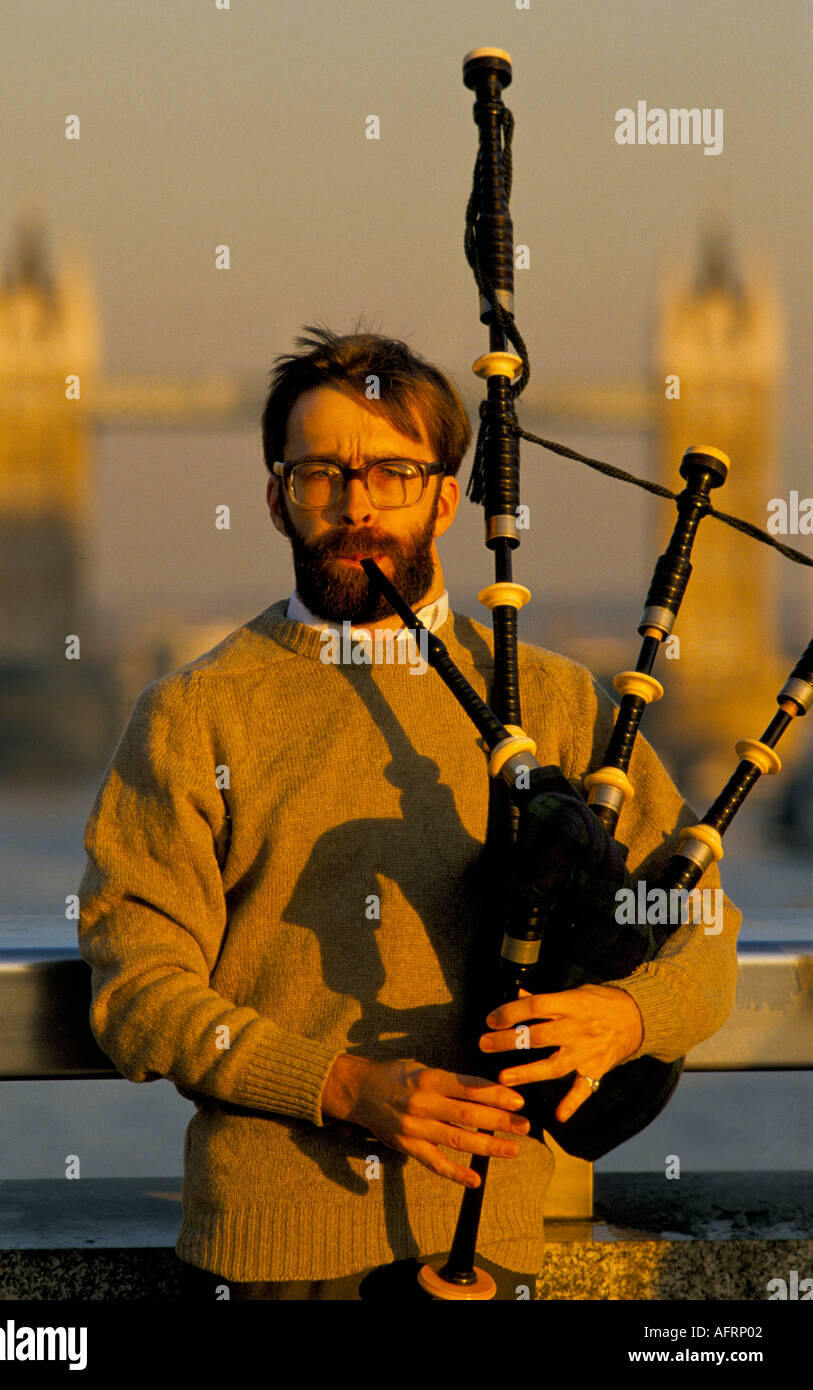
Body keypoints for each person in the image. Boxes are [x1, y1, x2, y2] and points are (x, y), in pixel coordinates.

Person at [76, 327, 741, 1301]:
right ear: (275, 496)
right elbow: (136, 994)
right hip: (262, 1264)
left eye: (391, 471)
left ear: (443, 494)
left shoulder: (557, 705)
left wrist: (625, 1015)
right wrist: (341, 1085)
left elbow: (702, 923)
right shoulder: (192, 714)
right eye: (321, 472)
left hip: (493, 1254)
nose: (355, 502)